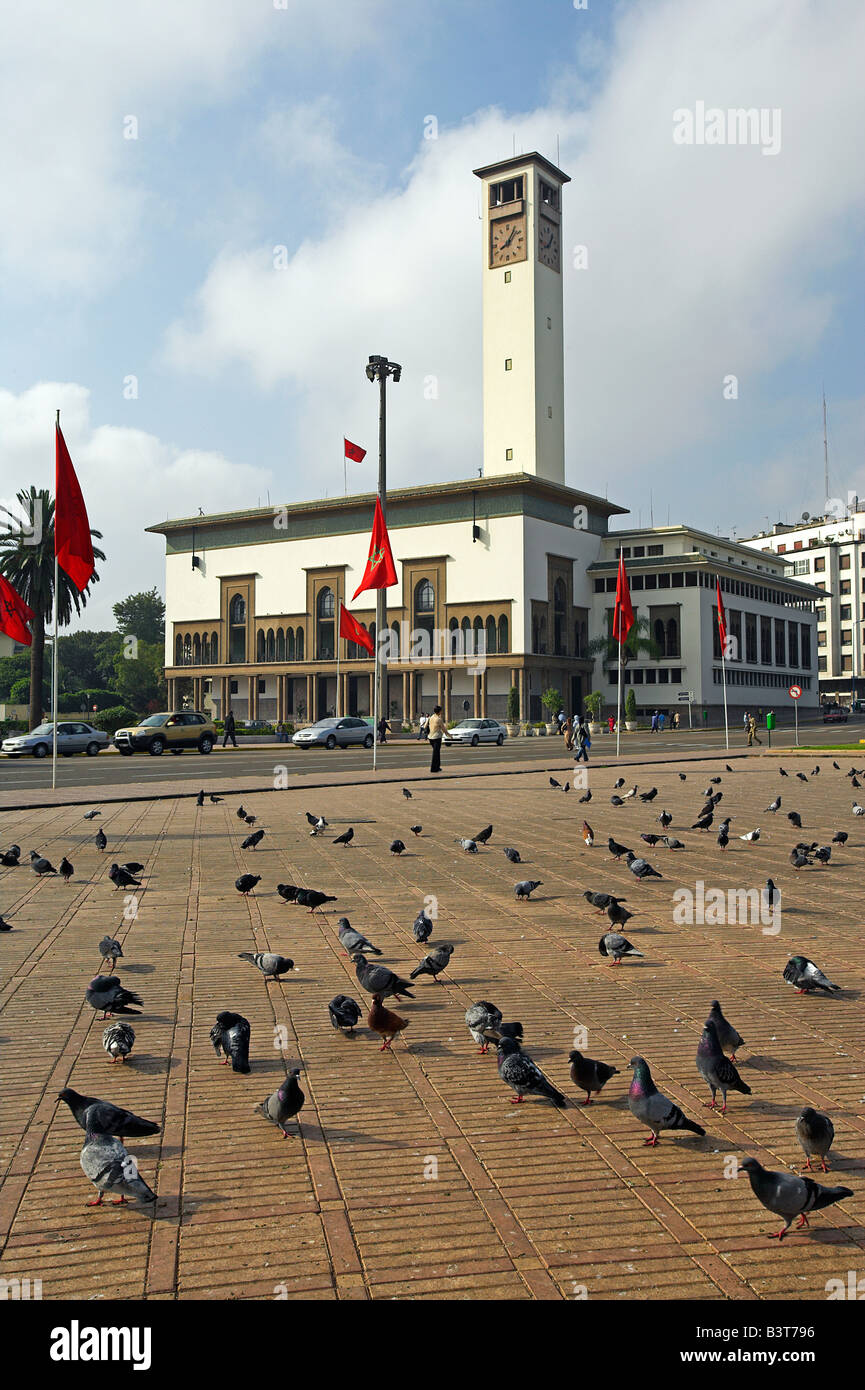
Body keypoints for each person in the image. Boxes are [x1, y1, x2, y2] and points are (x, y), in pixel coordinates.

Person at [428, 705, 444, 772]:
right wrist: (449, 735)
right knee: (436, 753)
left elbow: (426, 725)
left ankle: (437, 767)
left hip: (430, 737)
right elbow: (444, 729)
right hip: (437, 737)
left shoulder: (431, 717)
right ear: (440, 711)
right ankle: (433, 768)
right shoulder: (439, 719)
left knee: (437, 753)